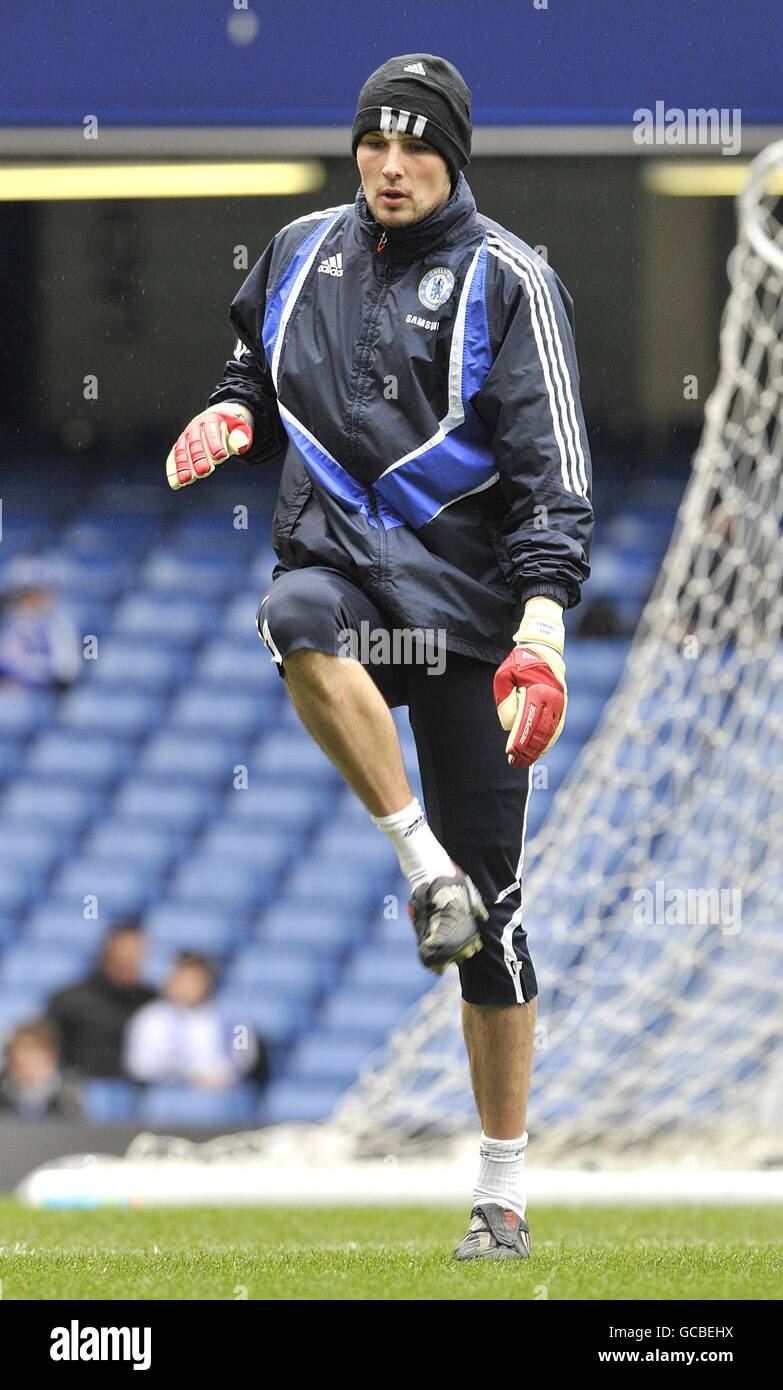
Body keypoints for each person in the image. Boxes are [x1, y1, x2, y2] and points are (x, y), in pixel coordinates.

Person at [166, 54, 593, 1261]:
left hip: (468, 617)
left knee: (499, 918)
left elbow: (556, 473)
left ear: (454, 157)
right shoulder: (301, 247)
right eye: (373, 144)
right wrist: (233, 412)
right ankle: (421, 870)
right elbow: (255, 362)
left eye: (415, 147)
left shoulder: (513, 280)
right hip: (346, 585)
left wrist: (543, 631)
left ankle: (501, 1196)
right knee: (291, 615)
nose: (390, 165)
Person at [123, 952, 267, 1092]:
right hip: (169, 1094)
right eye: (182, 979)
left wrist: (219, 1075)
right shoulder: (150, 1018)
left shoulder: (234, 1018)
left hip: (221, 1094)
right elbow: (139, 1064)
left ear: (207, 981)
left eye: (194, 980)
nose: (187, 987)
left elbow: (243, 1056)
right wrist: (184, 1076)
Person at [46, 921, 156, 1079]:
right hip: (79, 1093)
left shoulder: (153, 1002)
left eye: (136, 955)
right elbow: (49, 1052)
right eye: (123, 956)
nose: (130, 961)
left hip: (139, 1095)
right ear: (107, 954)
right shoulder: (69, 1001)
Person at [0, 1020, 82, 1118]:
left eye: (28, 1050)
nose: (18, 1058)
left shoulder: (68, 1088)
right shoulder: (3, 1087)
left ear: (49, 1056)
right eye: (12, 1051)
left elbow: (75, 1126)